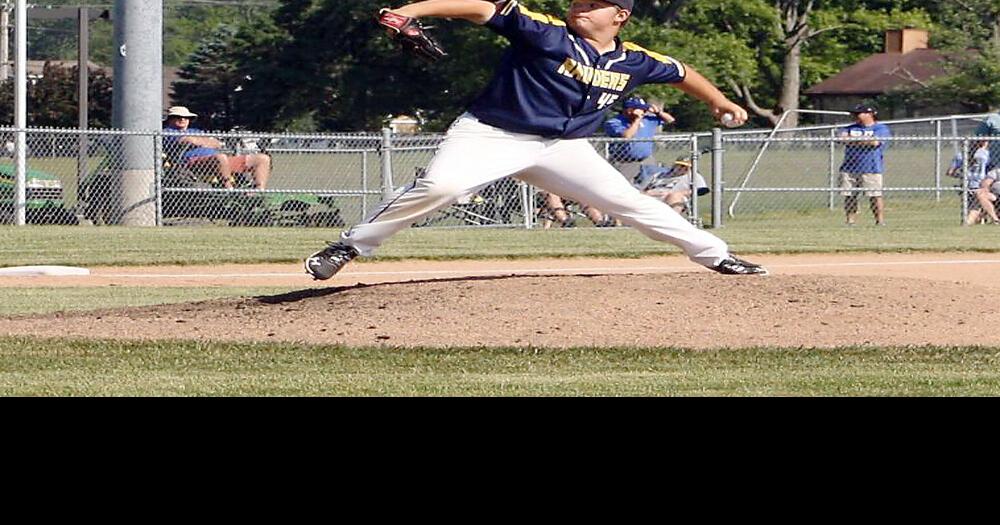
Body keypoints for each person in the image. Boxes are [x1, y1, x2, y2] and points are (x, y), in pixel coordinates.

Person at [305, 0, 768, 279]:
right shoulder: (545, 32)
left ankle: (717, 256)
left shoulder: (636, 61)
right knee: (442, 188)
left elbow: (682, 72)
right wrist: (411, 11)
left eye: (592, 3)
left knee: (632, 203)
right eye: (577, 1)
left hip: (562, 149)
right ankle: (350, 245)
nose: (578, 7)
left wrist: (720, 101)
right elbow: (483, 8)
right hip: (491, 133)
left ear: (620, 16)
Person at [162, 106, 272, 190]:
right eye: (178, 117)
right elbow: (187, 140)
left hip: (219, 161)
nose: (183, 119)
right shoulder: (167, 132)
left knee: (262, 158)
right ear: (170, 119)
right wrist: (202, 141)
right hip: (193, 164)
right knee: (220, 157)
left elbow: (216, 143)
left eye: (186, 117)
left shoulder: (195, 131)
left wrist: (199, 141)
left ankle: (258, 190)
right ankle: (229, 189)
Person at [838, 104, 891, 226]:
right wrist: (862, 141)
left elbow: (875, 142)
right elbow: (842, 139)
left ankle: (879, 221)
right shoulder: (850, 128)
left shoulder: (880, 128)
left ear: (870, 114)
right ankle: (850, 221)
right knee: (849, 195)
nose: (855, 116)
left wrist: (853, 141)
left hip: (871, 168)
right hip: (849, 167)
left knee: (874, 195)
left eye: (858, 114)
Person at [605, 96, 676, 180]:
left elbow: (670, 120)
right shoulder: (614, 122)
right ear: (629, 110)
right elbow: (627, 136)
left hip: (646, 160)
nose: (643, 112)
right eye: (641, 109)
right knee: (626, 187)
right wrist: (637, 119)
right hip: (625, 162)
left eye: (644, 109)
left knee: (651, 184)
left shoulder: (647, 120)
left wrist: (658, 112)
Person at [946, 140, 1000, 225]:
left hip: (967, 186)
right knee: (975, 210)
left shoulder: (960, 155)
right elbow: (991, 170)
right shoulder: (986, 154)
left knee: (974, 209)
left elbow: (950, 172)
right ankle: (986, 219)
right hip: (982, 186)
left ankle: (980, 218)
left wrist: (962, 176)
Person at [635, 157, 709, 215]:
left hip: (672, 198)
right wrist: (647, 193)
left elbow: (703, 190)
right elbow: (641, 189)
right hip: (651, 197)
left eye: (685, 167)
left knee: (675, 196)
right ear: (675, 165)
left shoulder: (693, 176)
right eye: (680, 165)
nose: (682, 168)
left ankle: (672, 222)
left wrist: (681, 193)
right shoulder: (659, 175)